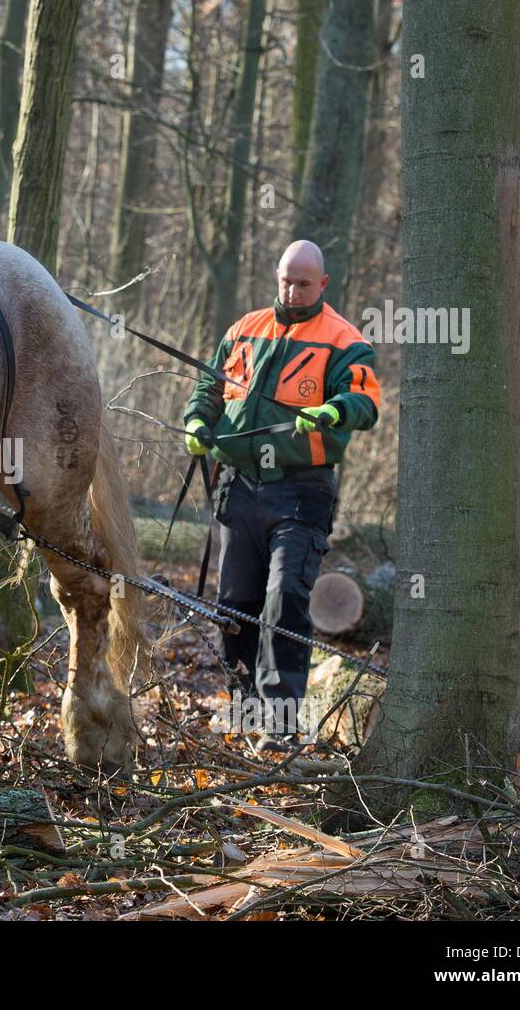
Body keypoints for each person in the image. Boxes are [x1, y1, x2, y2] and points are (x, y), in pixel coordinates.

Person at [182, 240, 381, 750]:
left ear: (323, 284)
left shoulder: (344, 339)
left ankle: (281, 725)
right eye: (286, 281)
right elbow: (208, 387)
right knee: (235, 607)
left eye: (304, 283)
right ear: (277, 276)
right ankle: (246, 712)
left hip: (302, 492)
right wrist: (198, 422)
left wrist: (335, 411)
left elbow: (364, 397)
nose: (293, 292)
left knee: (284, 602)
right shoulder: (244, 329)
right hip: (238, 487)